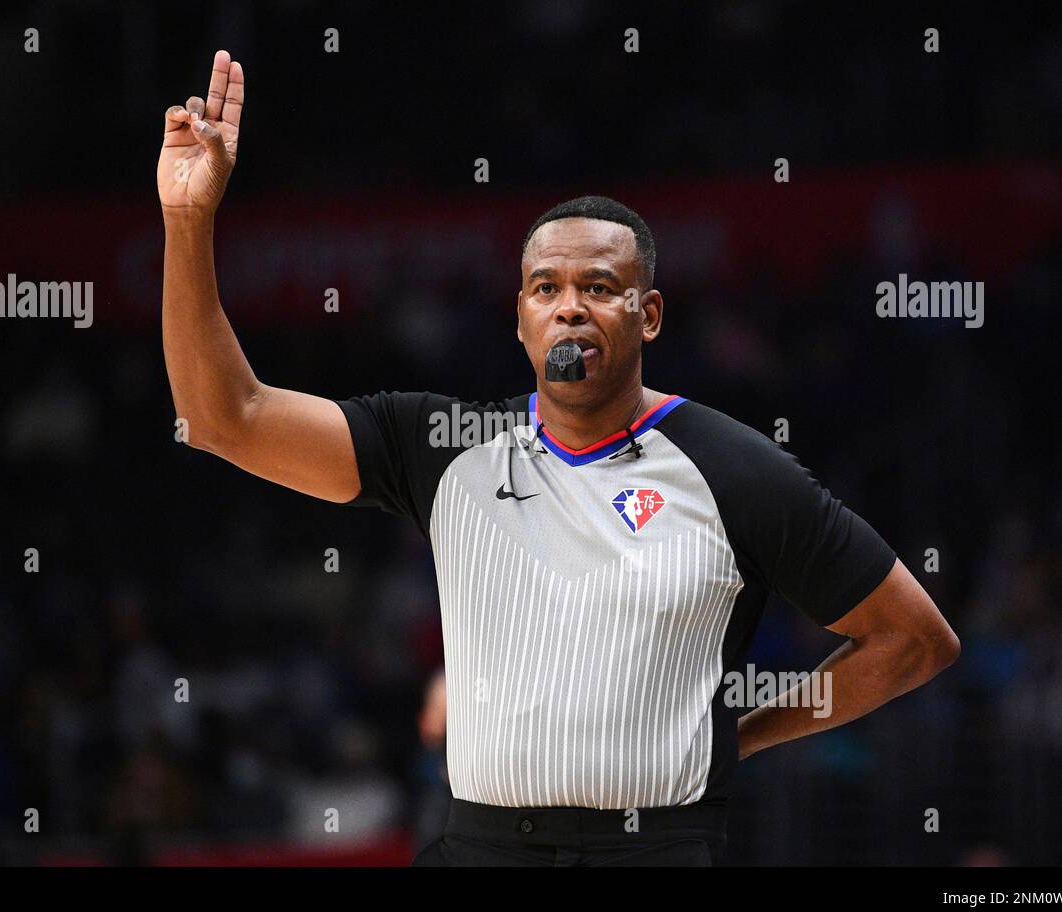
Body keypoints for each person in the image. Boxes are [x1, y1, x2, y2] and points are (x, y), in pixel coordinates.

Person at [158, 50, 961, 866]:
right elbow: (226, 416)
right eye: (545, 288)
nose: (569, 304)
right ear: (518, 318)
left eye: (599, 286)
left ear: (647, 314)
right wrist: (188, 222)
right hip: (477, 847)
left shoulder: (733, 469)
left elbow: (912, 638)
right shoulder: (444, 449)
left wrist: (744, 736)